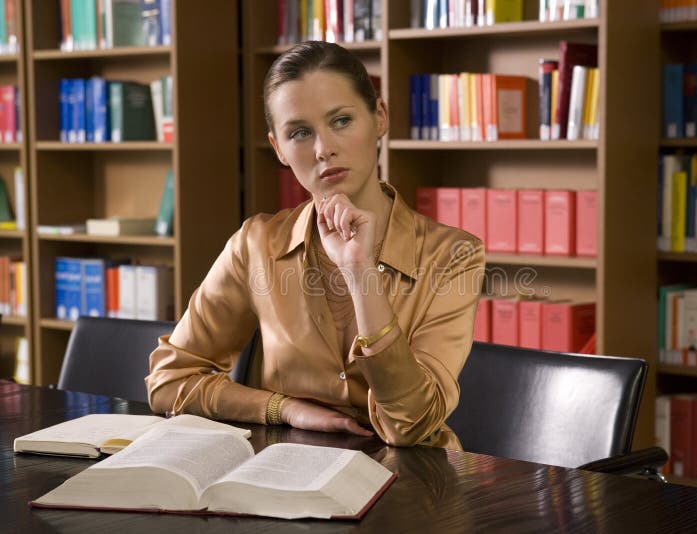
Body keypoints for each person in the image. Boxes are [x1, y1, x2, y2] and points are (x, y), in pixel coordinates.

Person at [145, 41, 485, 448]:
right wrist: (281, 408)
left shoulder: (452, 256)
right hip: (285, 479)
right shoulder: (255, 245)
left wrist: (361, 275)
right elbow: (169, 380)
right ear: (279, 150)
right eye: (300, 133)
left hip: (412, 486)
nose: (324, 149)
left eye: (341, 121)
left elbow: (409, 426)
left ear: (379, 117)